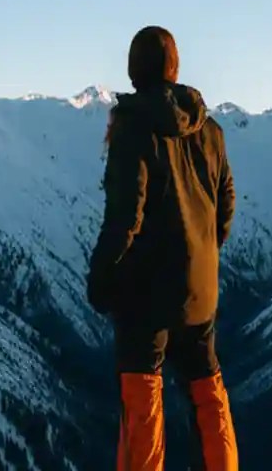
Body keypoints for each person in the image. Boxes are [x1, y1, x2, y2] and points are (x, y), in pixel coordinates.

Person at [87, 26, 239, 471]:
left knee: (143, 404)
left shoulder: (132, 128)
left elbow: (124, 218)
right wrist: (204, 254)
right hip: (200, 293)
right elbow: (225, 205)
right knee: (209, 397)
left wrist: (102, 279)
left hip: (145, 296)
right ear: (175, 68)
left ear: (134, 70)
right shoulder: (210, 130)